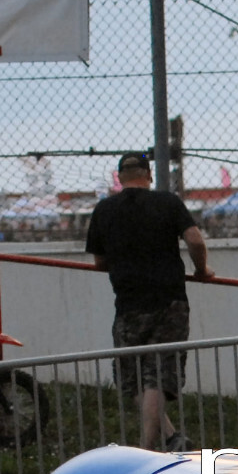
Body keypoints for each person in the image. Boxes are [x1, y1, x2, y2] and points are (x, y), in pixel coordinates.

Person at [85, 151, 215, 451]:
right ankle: (153, 445)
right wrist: (201, 270)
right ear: (149, 174)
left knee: (131, 377)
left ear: (119, 178)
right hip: (169, 302)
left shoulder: (104, 210)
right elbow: (195, 240)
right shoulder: (167, 202)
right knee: (157, 376)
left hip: (128, 304)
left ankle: (162, 441)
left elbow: (99, 260)